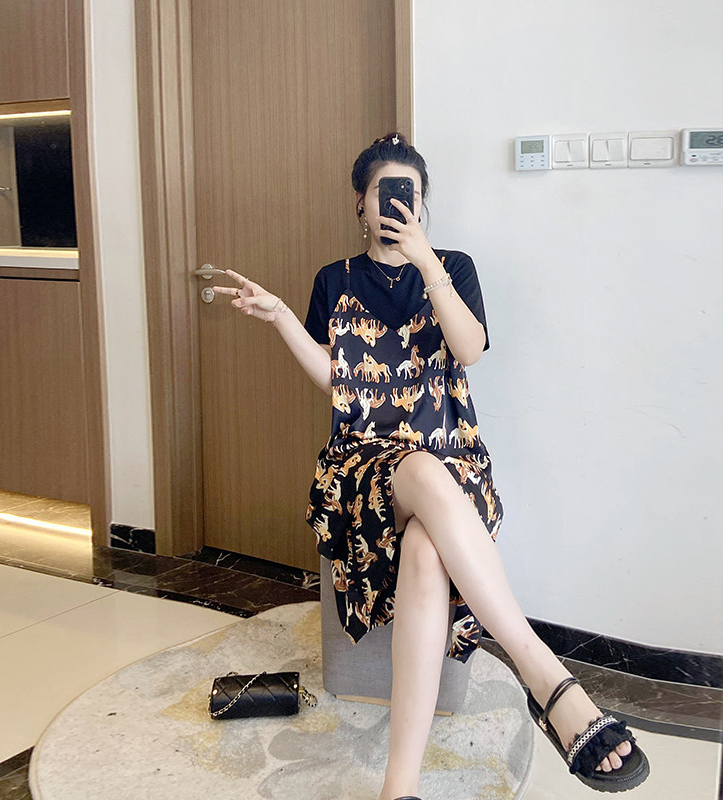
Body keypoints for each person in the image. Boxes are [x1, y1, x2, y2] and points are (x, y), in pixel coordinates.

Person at [212, 133, 649, 799]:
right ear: (360, 202)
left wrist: (426, 264)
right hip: (362, 465)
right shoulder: (335, 279)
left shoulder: (454, 267)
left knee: (424, 547)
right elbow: (337, 380)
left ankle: (400, 786)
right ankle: (545, 675)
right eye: (383, 192)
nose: (396, 204)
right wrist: (279, 317)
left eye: (409, 194)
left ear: (422, 204)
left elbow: (468, 350)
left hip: (453, 461)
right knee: (414, 469)